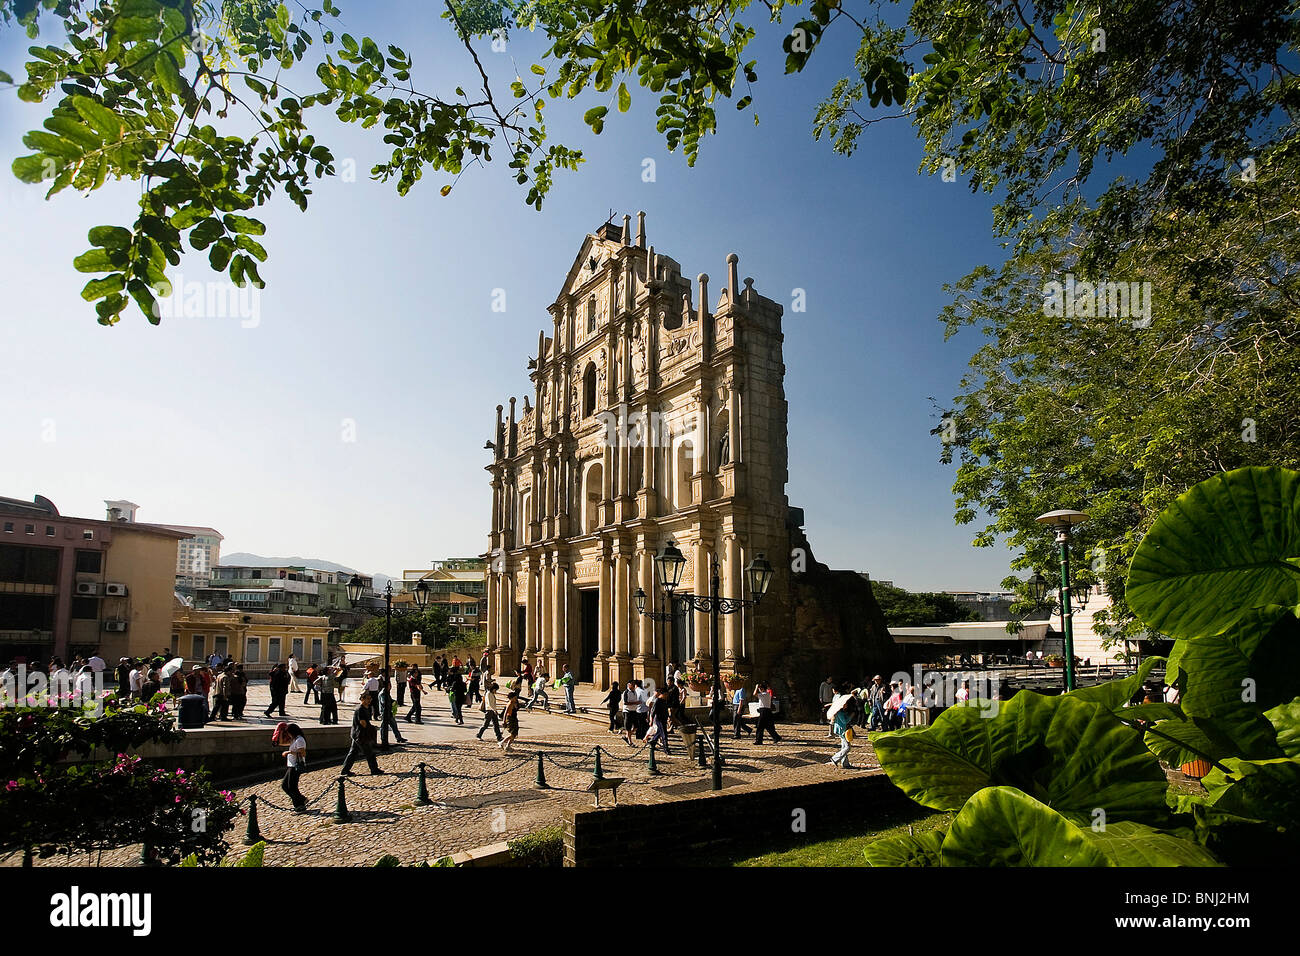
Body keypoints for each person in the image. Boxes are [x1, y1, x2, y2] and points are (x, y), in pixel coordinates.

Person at [341, 691, 385, 776]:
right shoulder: (360, 709)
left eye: (370, 699)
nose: (369, 700)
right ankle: (374, 769)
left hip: (357, 734)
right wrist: (371, 728)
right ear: (362, 699)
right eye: (367, 699)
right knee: (369, 752)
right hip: (360, 735)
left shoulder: (366, 708)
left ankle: (345, 770)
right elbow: (363, 722)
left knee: (353, 753)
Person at [275, 722, 309, 812]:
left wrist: (288, 752)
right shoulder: (294, 739)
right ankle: (301, 800)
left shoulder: (300, 740)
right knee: (286, 786)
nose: (288, 735)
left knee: (291, 786)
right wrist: (281, 732)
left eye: (288, 732)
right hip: (291, 765)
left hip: (296, 765)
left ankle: (300, 805)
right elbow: (281, 743)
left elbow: (303, 753)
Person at [827, 685, 859, 769]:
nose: (846, 705)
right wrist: (851, 716)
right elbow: (845, 721)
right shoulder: (840, 712)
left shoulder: (842, 711)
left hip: (841, 729)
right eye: (845, 704)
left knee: (844, 746)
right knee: (847, 748)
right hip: (842, 730)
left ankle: (845, 764)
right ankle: (835, 758)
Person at [377, 674, 406, 747]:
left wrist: (393, 701)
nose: (391, 687)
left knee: (394, 725)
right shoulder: (383, 694)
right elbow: (384, 702)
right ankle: (384, 739)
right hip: (385, 713)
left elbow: (389, 700)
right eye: (389, 686)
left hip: (388, 712)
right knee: (384, 726)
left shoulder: (386, 693)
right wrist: (390, 703)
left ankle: (399, 738)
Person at [753, 681, 782, 745]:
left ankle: (759, 740)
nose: (759, 690)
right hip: (766, 711)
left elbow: (754, 694)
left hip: (764, 711)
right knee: (768, 726)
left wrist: (756, 687)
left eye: (760, 688)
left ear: (762, 689)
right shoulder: (767, 694)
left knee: (760, 726)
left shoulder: (764, 694)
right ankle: (776, 737)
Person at [647, 686, 672, 757]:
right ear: (662, 694)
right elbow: (653, 711)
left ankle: (652, 742)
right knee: (664, 734)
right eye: (666, 694)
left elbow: (666, 709)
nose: (667, 696)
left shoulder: (665, 700)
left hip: (664, 719)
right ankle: (666, 748)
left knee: (659, 732)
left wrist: (668, 717)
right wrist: (651, 720)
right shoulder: (657, 701)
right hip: (659, 719)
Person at [621, 680, 641, 747]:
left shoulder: (635, 692)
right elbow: (625, 702)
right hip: (627, 711)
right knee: (628, 727)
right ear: (629, 685)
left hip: (634, 710)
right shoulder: (626, 692)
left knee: (636, 726)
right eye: (632, 684)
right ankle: (630, 742)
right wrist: (635, 703)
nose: (634, 686)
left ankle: (627, 736)